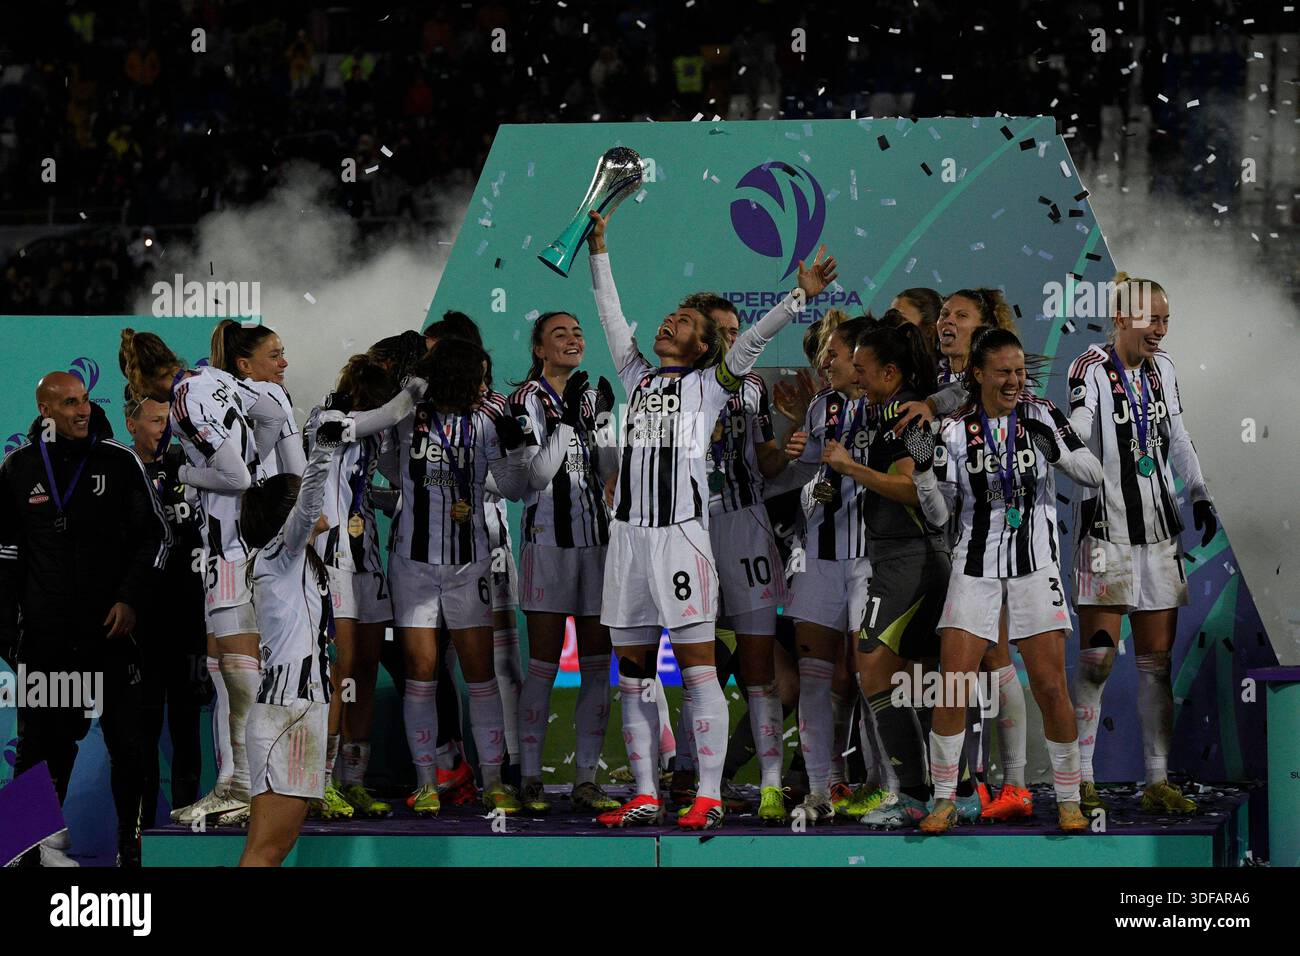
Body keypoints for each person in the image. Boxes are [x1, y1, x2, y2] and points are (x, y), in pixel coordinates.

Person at [584, 205, 837, 830]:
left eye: (685, 322)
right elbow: (611, 317)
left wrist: (797, 300)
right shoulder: (636, 377)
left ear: (703, 345)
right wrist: (599, 251)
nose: (669, 323)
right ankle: (645, 793)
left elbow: (748, 344)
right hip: (629, 542)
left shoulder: (712, 386)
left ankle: (709, 794)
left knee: (698, 667)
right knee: (635, 677)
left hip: (681, 542)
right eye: (671, 316)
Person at [318, 338, 530, 815]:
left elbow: (515, 488)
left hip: (468, 562)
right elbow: (391, 468)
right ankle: (426, 782)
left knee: (478, 674)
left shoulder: (486, 419)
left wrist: (517, 450)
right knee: (420, 673)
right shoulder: (406, 416)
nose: (478, 382)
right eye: (471, 372)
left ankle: (495, 781)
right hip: (410, 566)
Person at [909, 328, 1103, 833]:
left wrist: (1056, 453)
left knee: (1049, 685)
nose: (1016, 380)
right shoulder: (954, 431)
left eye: (1020, 371)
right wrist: (924, 475)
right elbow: (936, 515)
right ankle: (944, 800)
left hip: (1035, 566)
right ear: (978, 374)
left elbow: (1092, 473)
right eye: (1005, 372)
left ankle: (1066, 800)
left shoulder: (1043, 416)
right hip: (974, 568)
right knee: (953, 685)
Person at [0, 372, 170, 866]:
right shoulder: (18, 468)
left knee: (129, 745)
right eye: (70, 403)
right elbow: (5, 555)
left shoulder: (118, 462)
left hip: (111, 635)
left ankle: (131, 848)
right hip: (47, 639)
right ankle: (19, 848)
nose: (82, 410)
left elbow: (156, 537)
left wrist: (130, 599)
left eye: (86, 400)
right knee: (36, 746)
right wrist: (8, 633)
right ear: (45, 409)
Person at [1066, 274, 1215, 815]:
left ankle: (1157, 779)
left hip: (1159, 535)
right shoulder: (1089, 367)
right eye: (1152, 319)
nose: (1160, 330)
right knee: (1099, 660)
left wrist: (1197, 492)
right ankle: (1080, 777)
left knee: (1156, 661)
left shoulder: (1166, 368)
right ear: (1123, 319)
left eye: (1166, 319)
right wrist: (1061, 439)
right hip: (1106, 532)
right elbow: (1079, 427)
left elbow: (1176, 435)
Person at [120, 329, 267, 826]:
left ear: (143, 376)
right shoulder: (214, 378)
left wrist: (183, 474)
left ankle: (245, 786)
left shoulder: (186, 396)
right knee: (229, 675)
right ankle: (232, 784)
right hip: (237, 547)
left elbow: (238, 477)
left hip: (229, 550)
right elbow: (268, 418)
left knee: (237, 675)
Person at [828, 322, 950, 828]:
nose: (855, 375)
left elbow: (909, 488)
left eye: (861, 368)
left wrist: (850, 467)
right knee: (916, 679)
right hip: (903, 555)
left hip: (910, 557)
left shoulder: (905, 415)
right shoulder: (887, 409)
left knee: (873, 666)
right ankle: (934, 793)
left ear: (889, 372)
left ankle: (917, 793)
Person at [508, 310, 621, 814]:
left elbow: (606, 470)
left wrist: (604, 427)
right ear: (539, 348)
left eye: (577, 332)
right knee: (544, 666)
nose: (573, 340)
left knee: (599, 668)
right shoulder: (524, 401)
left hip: (597, 545)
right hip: (546, 545)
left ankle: (584, 779)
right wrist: (568, 422)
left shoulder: (591, 394)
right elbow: (533, 478)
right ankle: (530, 777)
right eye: (560, 334)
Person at [687, 294, 792, 824]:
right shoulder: (671, 386)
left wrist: (794, 443)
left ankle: (771, 784)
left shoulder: (752, 388)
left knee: (758, 664)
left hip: (746, 525)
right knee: (698, 667)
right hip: (688, 530)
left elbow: (767, 462)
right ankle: (702, 781)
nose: (733, 340)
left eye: (736, 331)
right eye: (722, 332)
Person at [776, 316, 878, 823]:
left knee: (869, 679)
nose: (824, 363)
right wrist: (808, 480)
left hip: (872, 561)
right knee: (815, 679)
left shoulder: (893, 407)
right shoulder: (820, 407)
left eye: (833, 355)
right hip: (816, 555)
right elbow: (805, 477)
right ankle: (822, 788)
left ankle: (883, 786)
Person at [237, 428, 343, 865]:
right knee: (267, 852)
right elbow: (312, 498)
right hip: (290, 715)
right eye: (302, 500)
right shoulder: (278, 556)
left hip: (296, 713)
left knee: (270, 851)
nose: (314, 506)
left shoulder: (291, 563)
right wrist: (324, 449)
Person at [306, 355, 396, 818]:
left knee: (364, 669)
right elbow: (385, 416)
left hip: (369, 560)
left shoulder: (375, 431)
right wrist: (412, 392)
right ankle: (320, 784)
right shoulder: (326, 420)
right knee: (339, 671)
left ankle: (354, 781)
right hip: (334, 557)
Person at [124, 391, 208, 830]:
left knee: (186, 724)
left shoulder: (189, 466)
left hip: (191, 619)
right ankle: (139, 832)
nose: (164, 430)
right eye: (156, 421)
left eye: (167, 421)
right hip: (141, 624)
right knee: (142, 727)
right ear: (131, 422)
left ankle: (187, 824)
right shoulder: (119, 471)